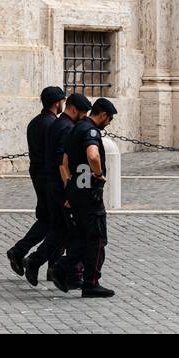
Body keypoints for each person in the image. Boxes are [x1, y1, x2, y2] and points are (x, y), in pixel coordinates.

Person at [23, 92, 91, 288]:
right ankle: (56, 269)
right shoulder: (66, 128)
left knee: (59, 230)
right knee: (70, 231)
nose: (85, 117)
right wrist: (69, 192)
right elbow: (63, 162)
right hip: (60, 186)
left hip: (51, 184)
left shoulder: (55, 123)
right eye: (83, 112)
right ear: (73, 109)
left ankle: (43, 265)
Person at [55, 97, 117, 298]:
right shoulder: (90, 131)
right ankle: (90, 282)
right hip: (89, 192)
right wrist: (98, 174)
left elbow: (63, 162)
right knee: (97, 239)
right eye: (109, 119)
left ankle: (63, 267)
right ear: (104, 115)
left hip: (76, 190)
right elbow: (93, 156)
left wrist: (69, 185)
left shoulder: (75, 127)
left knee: (82, 237)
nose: (108, 124)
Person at [6, 86, 66, 276]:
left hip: (38, 174)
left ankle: (46, 262)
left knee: (48, 218)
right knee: (57, 219)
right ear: (57, 102)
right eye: (62, 101)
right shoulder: (53, 125)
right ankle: (25, 254)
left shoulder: (34, 123)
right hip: (49, 176)